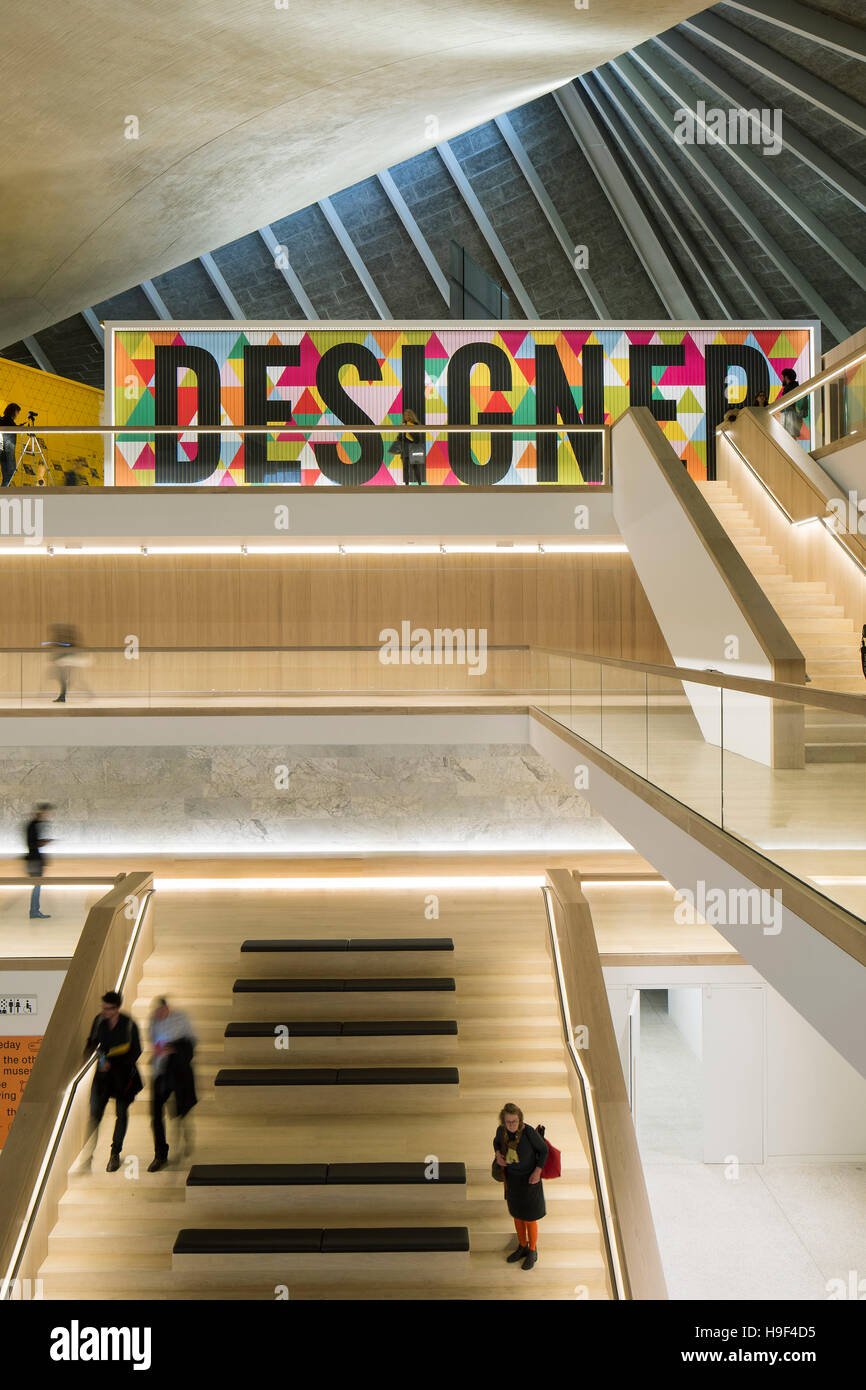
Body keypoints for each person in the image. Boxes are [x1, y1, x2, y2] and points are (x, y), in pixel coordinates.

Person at [80, 991, 143, 1172]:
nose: (105, 1012)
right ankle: (88, 1155)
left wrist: (115, 1062)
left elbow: (136, 1051)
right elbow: (92, 1044)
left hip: (123, 1077)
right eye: (104, 1008)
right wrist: (96, 1058)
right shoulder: (99, 1021)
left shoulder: (129, 1025)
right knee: (95, 1114)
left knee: (121, 1114)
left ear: (117, 1008)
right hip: (103, 1077)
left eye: (108, 1009)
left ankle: (115, 1154)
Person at [493, 1101, 548, 1270]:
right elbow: (496, 1142)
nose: (511, 1125)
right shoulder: (500, 1131)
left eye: (514, 1122)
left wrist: (537, 1172)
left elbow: (544, 1150)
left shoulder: (528, 1132)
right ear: (503, 1121)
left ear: (520, 1120)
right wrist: (497, 1154)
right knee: (517, 1215)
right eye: (508, 1122)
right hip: (513, 1180)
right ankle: (522, 1246)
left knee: (529, 1218)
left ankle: (532, 1250)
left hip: (530, 1180)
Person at [148, 997, 198, 1171]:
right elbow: (153, 1042)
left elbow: (191, 1042)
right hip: (160, 1071)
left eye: (162, 1012)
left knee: (181, 1108)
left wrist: (174, 1048)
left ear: (167, 1009)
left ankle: (184, 1131)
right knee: (155, 1114)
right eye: (157, 1013)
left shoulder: (181, 1018)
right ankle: (160, 1154)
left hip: (178, 1072)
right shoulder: (153, 1020)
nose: (159, 1015)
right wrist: (158, 1049)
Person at [43, 624, 92, 703]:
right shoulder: (64, 639)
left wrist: (55, 659)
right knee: (67, 680)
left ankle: (63, 696)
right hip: (67, 662)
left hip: (68, 662)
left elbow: (66, 649)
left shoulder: (64, 639)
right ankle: (62, 696)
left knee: (68, 680)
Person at [24, 803, 54, 919]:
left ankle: (35, 910)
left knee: (37, 885)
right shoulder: (33, 825)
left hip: (34, 859)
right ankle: (34, 911)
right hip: (34, 860)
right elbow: (32, 844)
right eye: (46, 813)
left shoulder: (33, 825)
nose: (46, 816)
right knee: (37, 885)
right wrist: (43, 842)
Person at [397, 409, 425, 485]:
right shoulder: (403, 425)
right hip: (405, 448)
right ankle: (406, 485)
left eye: (409, 415)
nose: (407, 416)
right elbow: (399, 438)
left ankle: (419, 484)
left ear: (412, 416)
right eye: (405, 415)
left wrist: (409, 431)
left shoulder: (415, 425)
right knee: (405, 468)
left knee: (415, 467)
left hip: (414, 448)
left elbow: (418, 439)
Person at [778, 368, 808, 440]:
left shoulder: (789, 389)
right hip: (794, 416)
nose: (782, 379)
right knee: (791, 438)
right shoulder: (798, 387)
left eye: (782, 377)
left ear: (786, 377)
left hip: (790, 416)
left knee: (789, 438)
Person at [0, 403, 21, 486]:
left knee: (6, 472)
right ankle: (4, 490)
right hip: (8, 449)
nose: (17, 414)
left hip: (3, 450)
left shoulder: (3, 420)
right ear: (13, 411)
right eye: (17, 412)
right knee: (10, 471)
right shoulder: (9, 421)